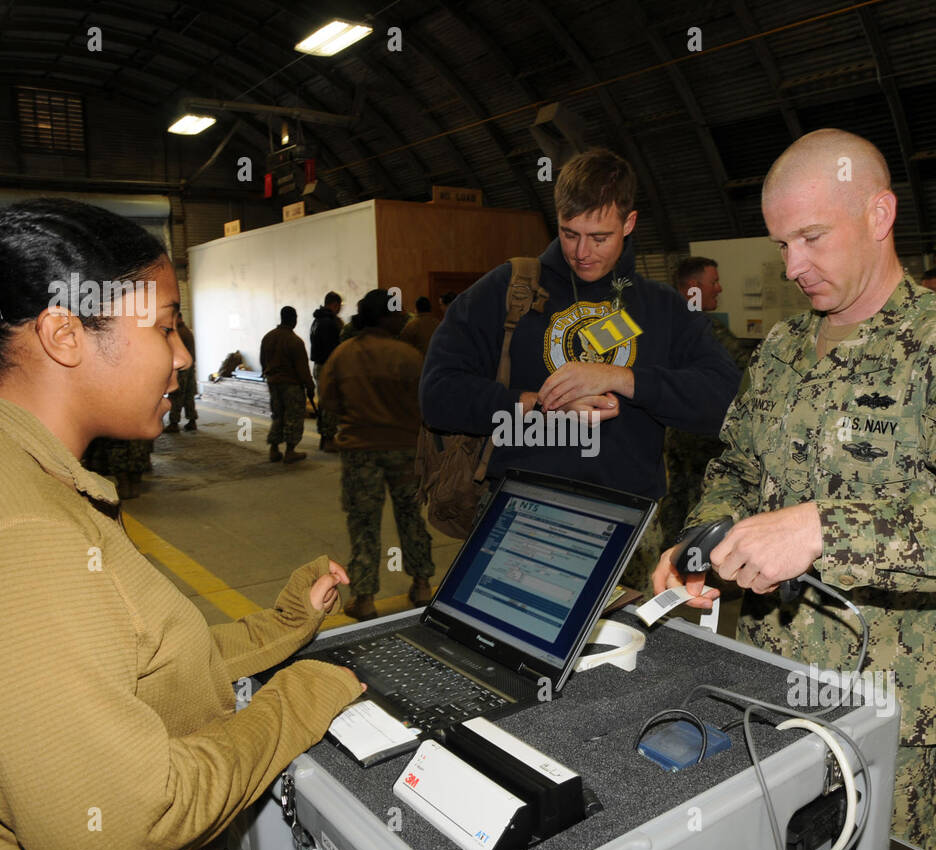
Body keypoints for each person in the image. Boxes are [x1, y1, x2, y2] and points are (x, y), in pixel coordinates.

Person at [0, 198, 363, 850]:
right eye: (165, 327)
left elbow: (133, 666)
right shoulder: (14, 542)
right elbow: (128, 824)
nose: (179, 356)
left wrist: (284, 624)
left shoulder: (0, 464)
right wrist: (298, 698)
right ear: (65, 336)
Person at [653, 129, 936, 850]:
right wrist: (700, 542)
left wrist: (824, 530)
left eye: (811, 237)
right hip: (767, 694)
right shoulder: (779, 351)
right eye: (781, 245)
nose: (793, 266)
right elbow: (735, 467)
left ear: (878, 215)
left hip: (890, 710)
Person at [420, 147, 739, 588]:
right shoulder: (509, 290)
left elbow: (725, 399)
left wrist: (624, 379)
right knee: (514, 649)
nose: (581, 252)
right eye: (569, 234)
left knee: (632, 654)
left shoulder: (660, 308)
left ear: (629, 223)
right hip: (522, 519)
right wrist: (539, 405)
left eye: (599, 237)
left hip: (628, 527)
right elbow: (437, 395)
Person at [319, 289, 434, 621]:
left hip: (361, 452)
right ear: (385, 317)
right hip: (405, 451)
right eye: (397, 313)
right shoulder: (409, 357)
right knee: (411, 518)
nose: (402, 318)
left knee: (364, 523)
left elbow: (328, 402)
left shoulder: (343, 356)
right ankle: (422, 584)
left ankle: (365, 598)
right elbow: (427, 403)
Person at [660, 257, 753, 549]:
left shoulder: (663, 323)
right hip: (706, 435)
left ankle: (673, 554)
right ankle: (697, 561)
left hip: (675, 431)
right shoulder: (703, 329)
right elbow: (746, 376)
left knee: (677, 496)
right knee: (706, 500)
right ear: (693, 288)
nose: (719, 288)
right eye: (713, 282)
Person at [259, 306, 315, 464]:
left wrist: (269, 375)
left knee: (278, 415)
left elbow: (263, 361)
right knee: (293, 417)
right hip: (291, 385)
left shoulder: (268, 337)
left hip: (273, 383)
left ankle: (274, 450)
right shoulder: (295, 341)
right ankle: (290, 451)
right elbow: (302, 369)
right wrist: (310, 386)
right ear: (293, 319)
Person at [310, 292, 342, 452]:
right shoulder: (329, 323)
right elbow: (333, 349)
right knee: (330, 404)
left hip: (319, 365)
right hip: (327, 366)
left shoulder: (316, 321)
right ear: (334, 304)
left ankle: (325, 438)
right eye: (339, 306)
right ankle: (329, 439)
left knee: (324, 403)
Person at [162, 316, 197, 432]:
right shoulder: (187, 331)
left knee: (176, 395)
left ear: (178, 319)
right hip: (190, 369)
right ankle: (192, 421)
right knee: (188, 396)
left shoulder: (178, 333)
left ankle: (174, 423)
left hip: (181, 371)